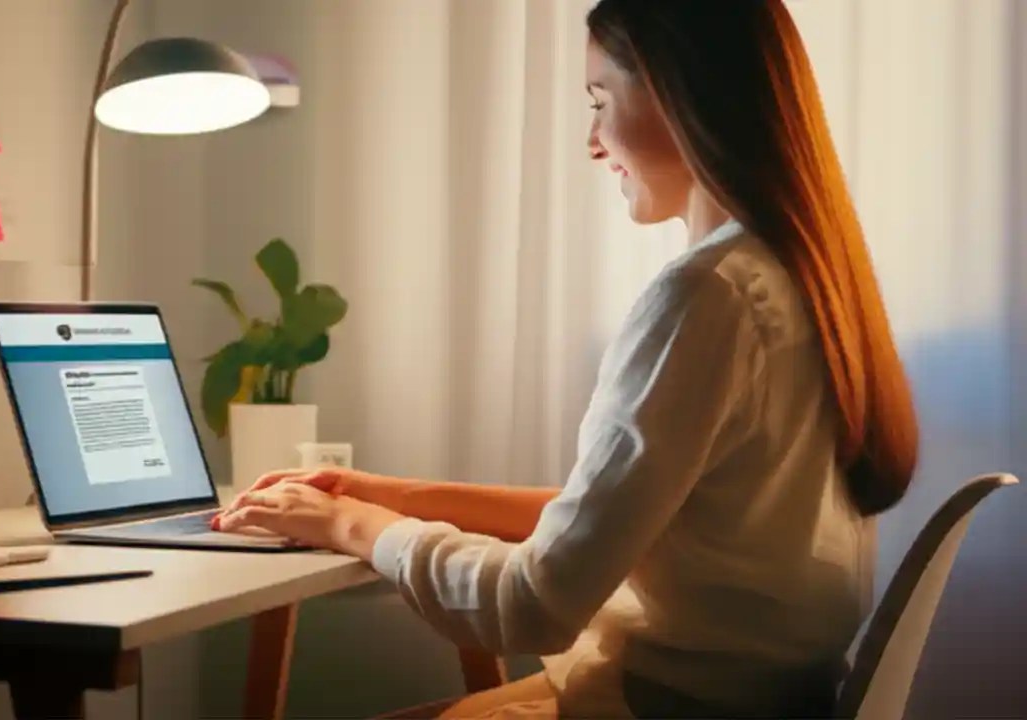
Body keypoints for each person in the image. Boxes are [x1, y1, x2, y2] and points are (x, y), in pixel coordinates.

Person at [213, 1, 919, 717]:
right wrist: (386, 494)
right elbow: (624, 522)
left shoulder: (706, 297)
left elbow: (533, 606)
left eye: (599, 100)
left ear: (679, 96)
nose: (592, 140)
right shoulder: (798, 277)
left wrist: (348, 527)